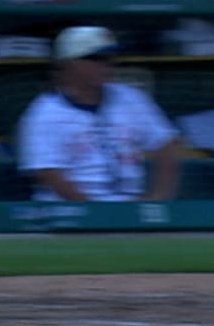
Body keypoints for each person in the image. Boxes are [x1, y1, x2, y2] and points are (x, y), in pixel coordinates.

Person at [17, 27, 183, 202]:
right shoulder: (43, 113)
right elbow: (48, 174)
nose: (107, 65)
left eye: (110, 59)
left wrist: (158, 198)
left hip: (130, 210)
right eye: (97, 59)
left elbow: (167, 145)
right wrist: (95, 213)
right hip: (70, 215)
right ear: (70, 63)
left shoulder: (130, 97)